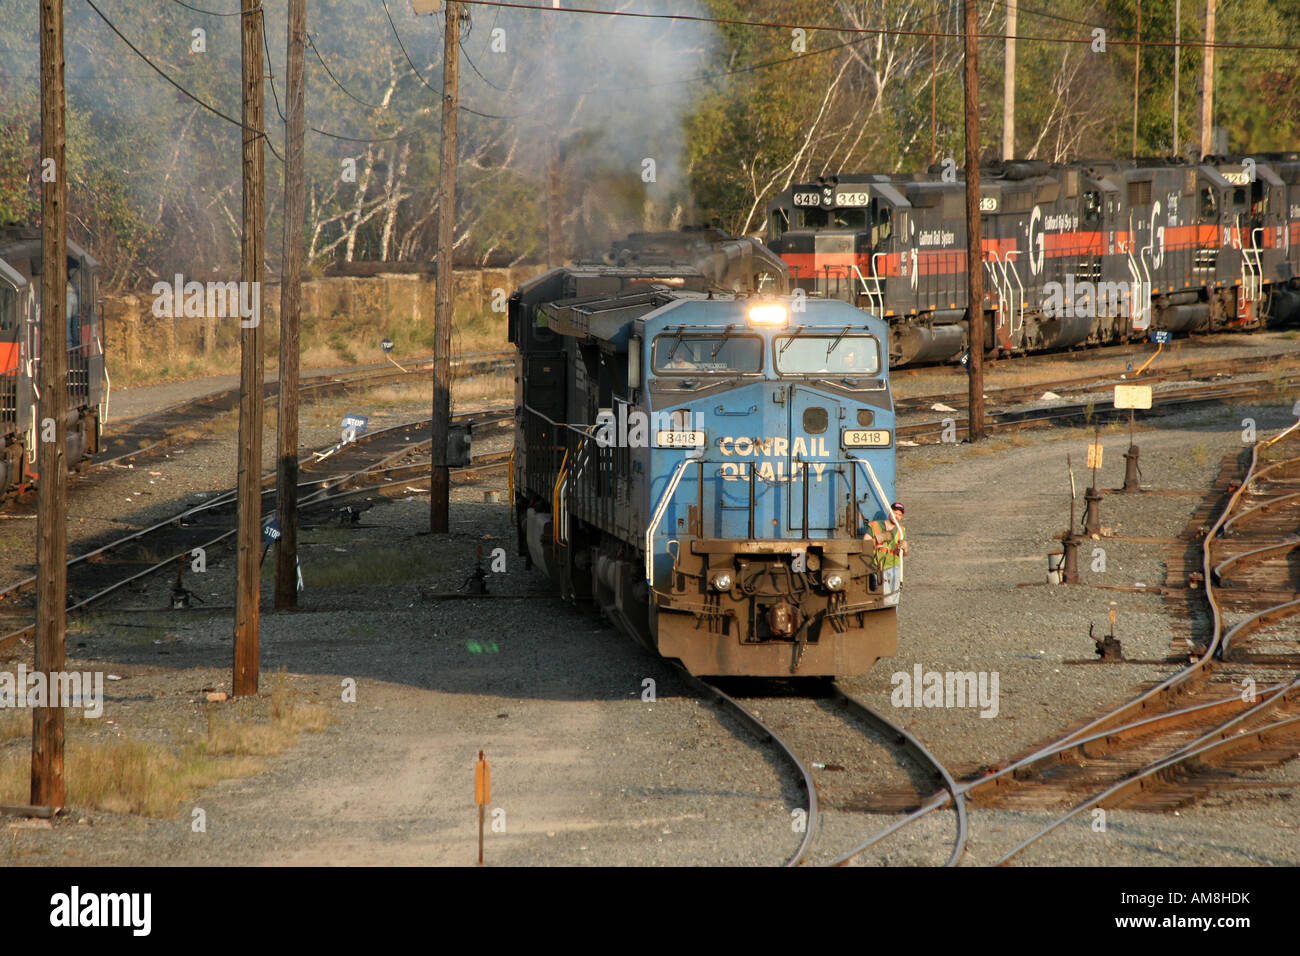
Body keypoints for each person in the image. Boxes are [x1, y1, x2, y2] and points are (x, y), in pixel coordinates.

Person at [865, 501, 909, 605]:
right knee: (885, 598)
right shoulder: (875, 526)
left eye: (899, 515)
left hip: (895, 567)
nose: (897, 516)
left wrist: (906, 549)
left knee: (894, 599)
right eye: (895, 513)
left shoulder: (901, 530)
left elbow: (904, 553)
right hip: (878, 567)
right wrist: (878, 538)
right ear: (890, 512)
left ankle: (892, 619)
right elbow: (864, 544)